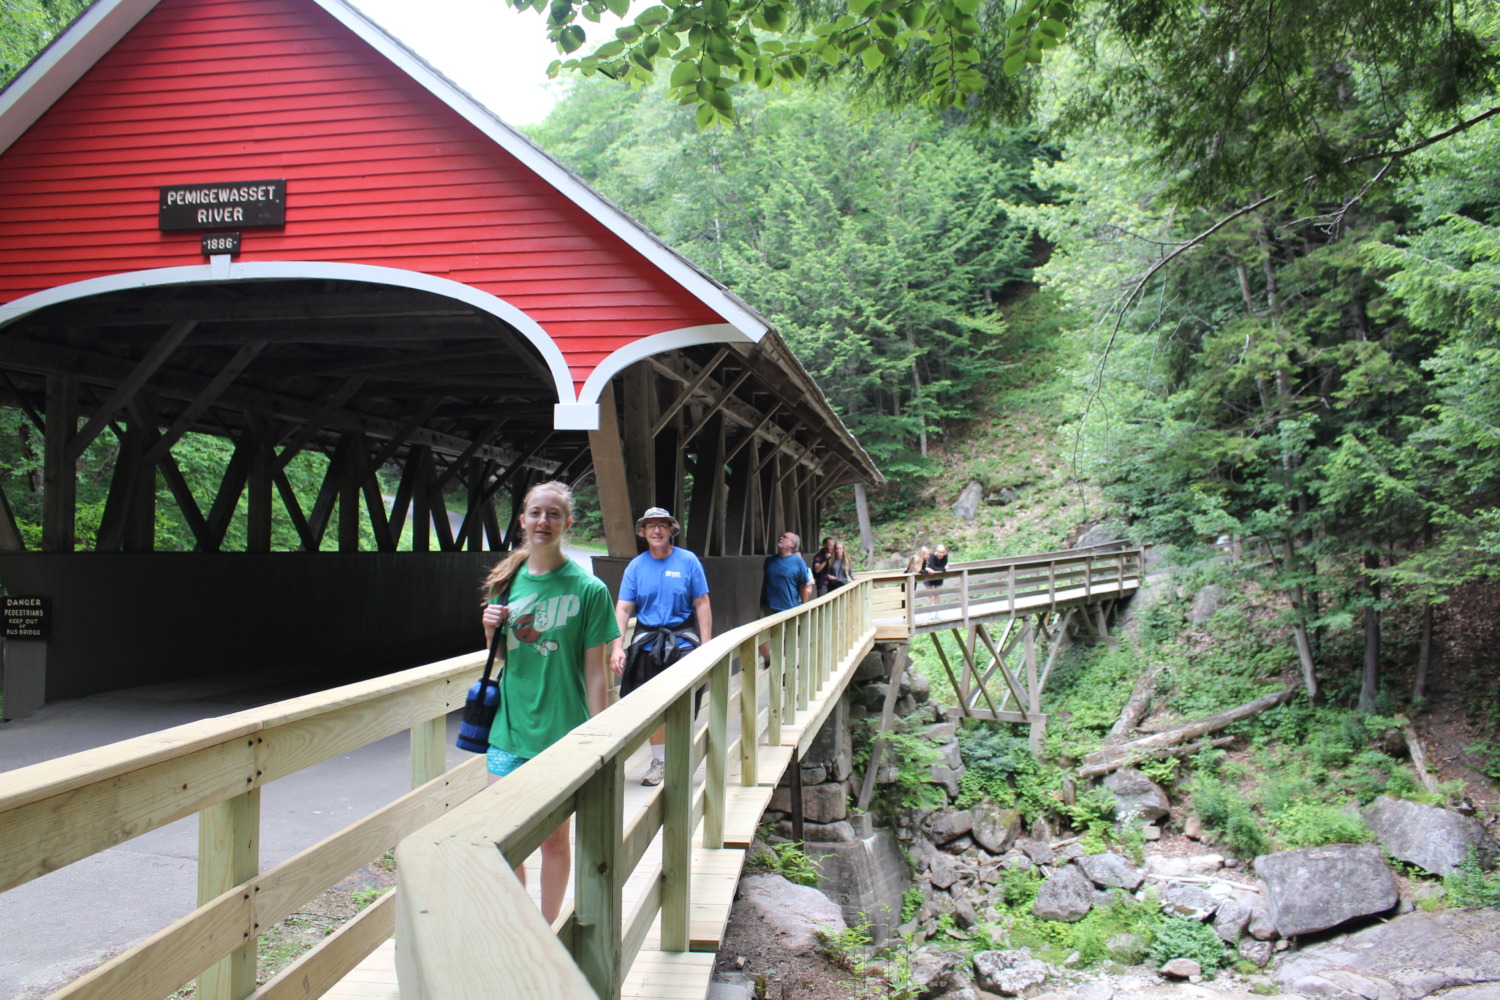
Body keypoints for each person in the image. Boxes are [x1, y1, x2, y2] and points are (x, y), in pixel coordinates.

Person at [479, 480, 620, 924]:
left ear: (567, 523)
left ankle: (545, 929)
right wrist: (489, 630)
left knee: (554, 840)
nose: (544, 521)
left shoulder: (589, 590)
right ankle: (520, 923)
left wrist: (599, 738)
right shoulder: (505, 583)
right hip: (508, 730)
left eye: (554, 514)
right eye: (536, 513)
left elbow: (595, 671)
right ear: (522, 520)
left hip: (563, 734)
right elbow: (501, 658)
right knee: (501, 837)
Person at [610, 506, 712, 786]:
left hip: (683, 642)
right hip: (647, 644)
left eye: (662, 526)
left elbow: (702, 603)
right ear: (643, 532)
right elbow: (623, 609)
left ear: (671, 530)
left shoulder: (688, 561)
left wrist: (706, 646)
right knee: (650, 707)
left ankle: (678, 756)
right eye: (651, 526)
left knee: (683, 703)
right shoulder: (636, 566)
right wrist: (617, 647)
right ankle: (660, 761)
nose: (656, 531)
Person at [759, 530, 814, 665]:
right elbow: (766, 582)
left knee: (785, 641)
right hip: (767, 607)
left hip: (787, 608)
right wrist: (761, 602)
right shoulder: (769, 560)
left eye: (785, 537)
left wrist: (803, 607)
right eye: (781, 536)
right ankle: (768, 661)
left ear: (792, 544)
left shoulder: (798, 562)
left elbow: (803, 586)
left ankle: (785, 669)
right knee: (759, 636)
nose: (781, 537)